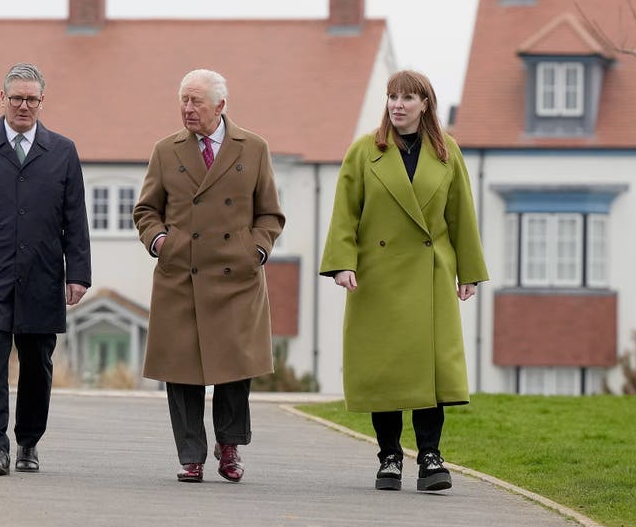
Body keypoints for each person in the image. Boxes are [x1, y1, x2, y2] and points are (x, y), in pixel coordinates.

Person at [320, 69, 488, 491]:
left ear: (425, 104)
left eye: (408, 98)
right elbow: (345, 213)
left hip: (431, 274)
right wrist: (342, 263)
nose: (397, 105)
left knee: (432, 368)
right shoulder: (364, 151)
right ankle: (390, 456)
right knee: (385, 368)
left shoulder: (447, 151)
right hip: (376, 276)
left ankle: (430, 456)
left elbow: (461, 215)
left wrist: (469, 272)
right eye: (393, 97)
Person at [134, 68, 285, 483]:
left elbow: (270, 213)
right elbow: (146, 210)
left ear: (220, 105)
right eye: (183, 100)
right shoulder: (166, 150)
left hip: (237, 275)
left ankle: (230, 446)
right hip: (181, 275)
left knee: (235, 367)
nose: (187, 108)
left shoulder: (253, 148)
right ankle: (191, 455)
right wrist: (160, 241)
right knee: (181, 370)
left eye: (195, 101)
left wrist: (256, 249)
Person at [0, 63, 91, 476]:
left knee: (37, 364)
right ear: (2, 98)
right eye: (16, 98)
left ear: (42, 101)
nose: (23, 106)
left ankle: (28, 442)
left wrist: (78, 274)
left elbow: (75, 219)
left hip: (42, 274)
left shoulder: (62, 151)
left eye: (31, 99)